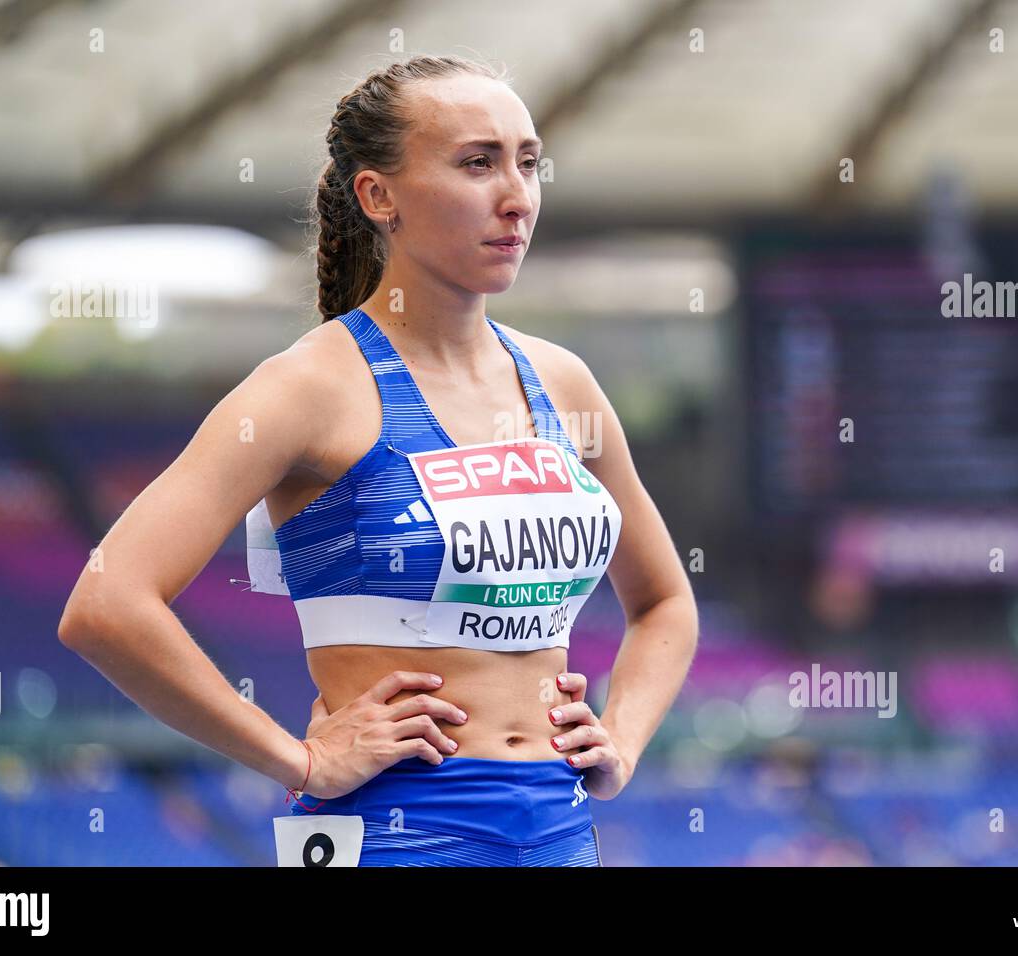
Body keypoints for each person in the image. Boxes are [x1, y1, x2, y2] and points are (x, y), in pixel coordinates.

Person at [58, 53, 698, 866]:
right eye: (477, 162)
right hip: (393, 830)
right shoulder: (307, 388)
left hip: (558, 827)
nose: (516, 196)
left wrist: (623, 741)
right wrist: (299, 760)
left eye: (528, 163)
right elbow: (107, 604)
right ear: (378, 195)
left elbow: (665, 603)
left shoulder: (563, 381)